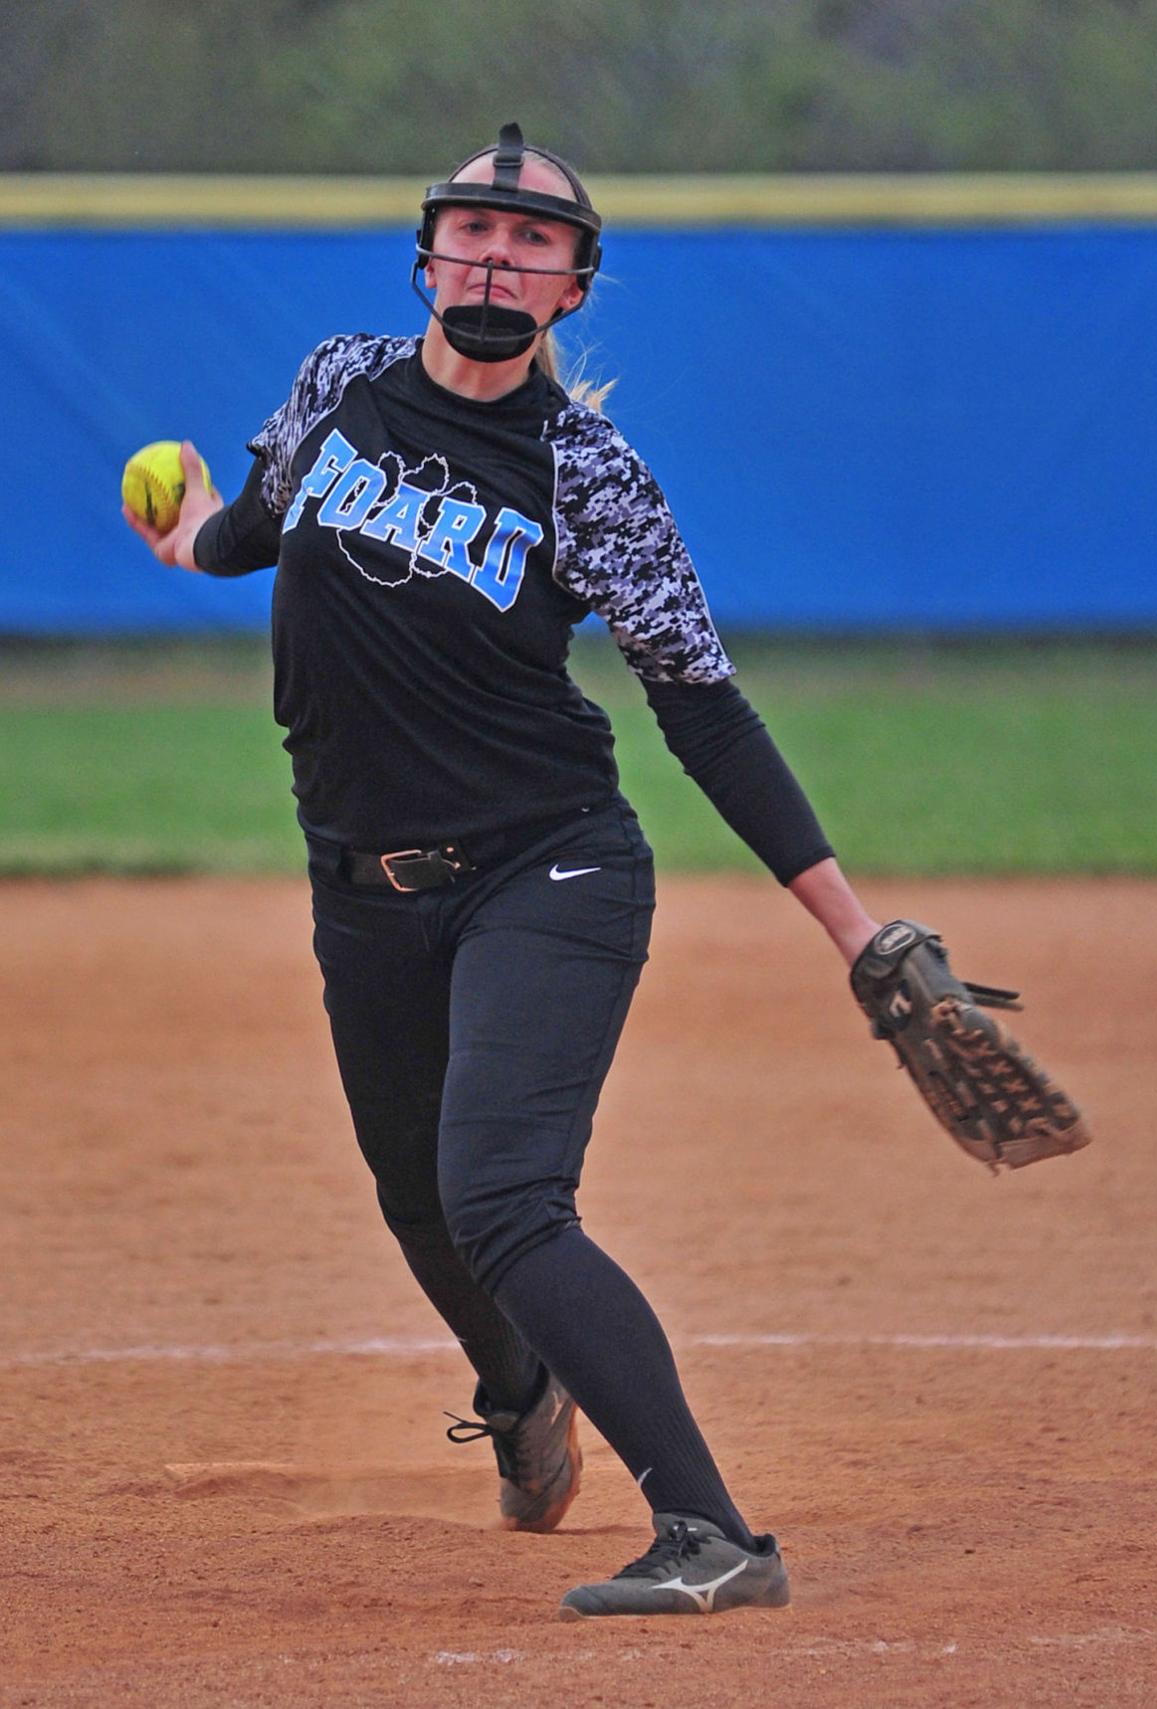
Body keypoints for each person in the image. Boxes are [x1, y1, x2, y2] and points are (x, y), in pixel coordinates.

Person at [123, 122, 881, 1621]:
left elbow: (702, 704)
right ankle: (524, 1397)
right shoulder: (338, 382)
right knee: (420, 1203)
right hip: (361, 886)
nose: (496, 255)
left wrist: (855, 928)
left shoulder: (586, 473)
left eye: (534, 241)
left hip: (548, 865)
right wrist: (194, 534)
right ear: (427, 259)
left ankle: (715, 1534)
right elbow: (259, 530)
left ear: (573, 287)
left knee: (505, 1196)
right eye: (472, 230)